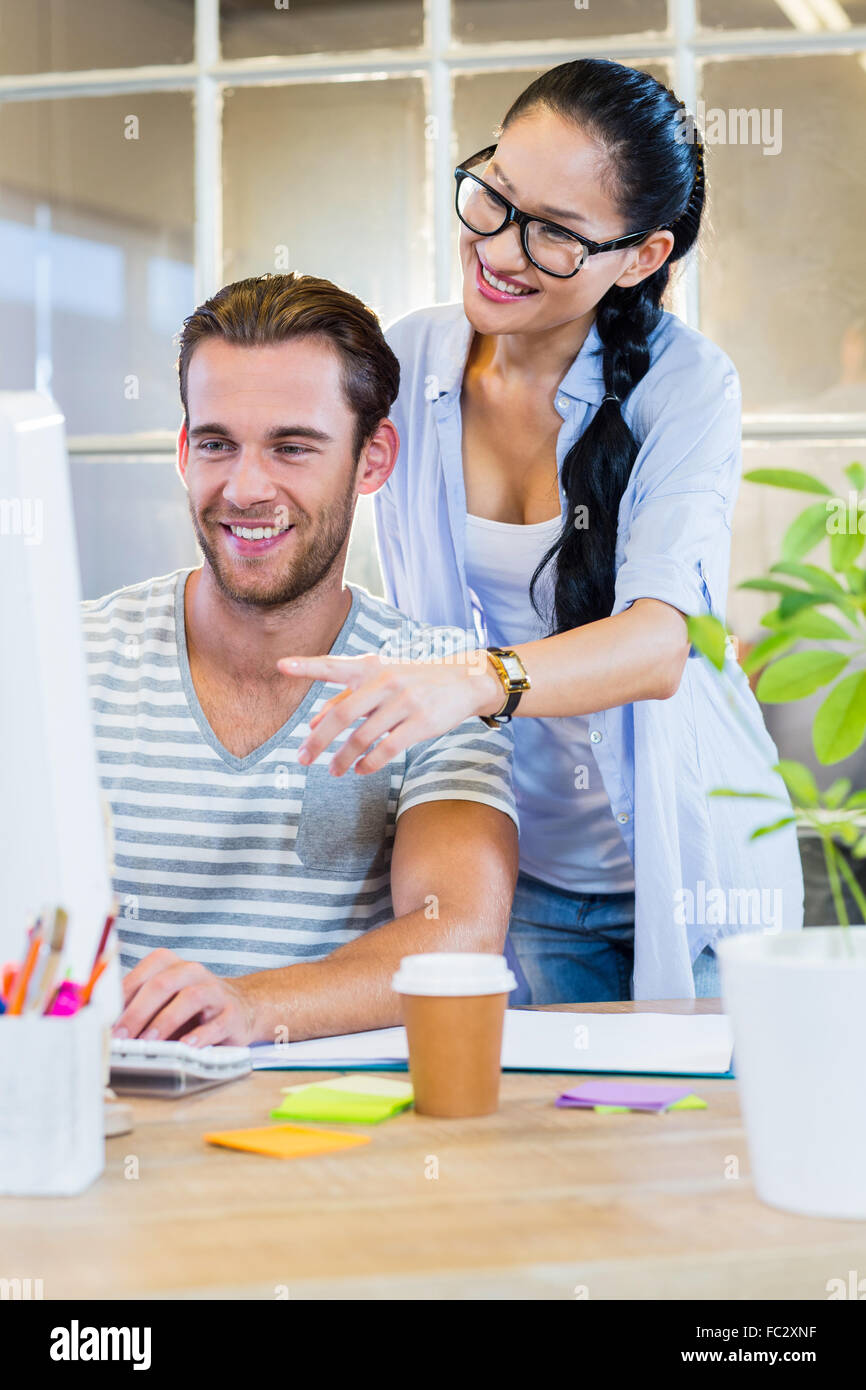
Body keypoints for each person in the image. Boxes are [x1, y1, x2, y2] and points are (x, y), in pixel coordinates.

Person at [278, 58, 805, 1003]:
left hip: (700, 866)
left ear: (643, 256)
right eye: (494, 197)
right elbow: (299, 502)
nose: (502, 249)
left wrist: (472, 683)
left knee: (697, 1149)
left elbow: (658, 645)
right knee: (540, 1141)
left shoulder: (686, 386)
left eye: (557, 234)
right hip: (526, 875)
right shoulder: (407, 361)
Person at [82, 272, 518, 1046]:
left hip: (330, 1136)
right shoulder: (70, 662)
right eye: (217, 444)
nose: (246, 488)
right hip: (107, 1123)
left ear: (373, 458)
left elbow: (456, 934)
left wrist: (244, 1008)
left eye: (292, 447)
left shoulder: (437, 679)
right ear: (184, 452)